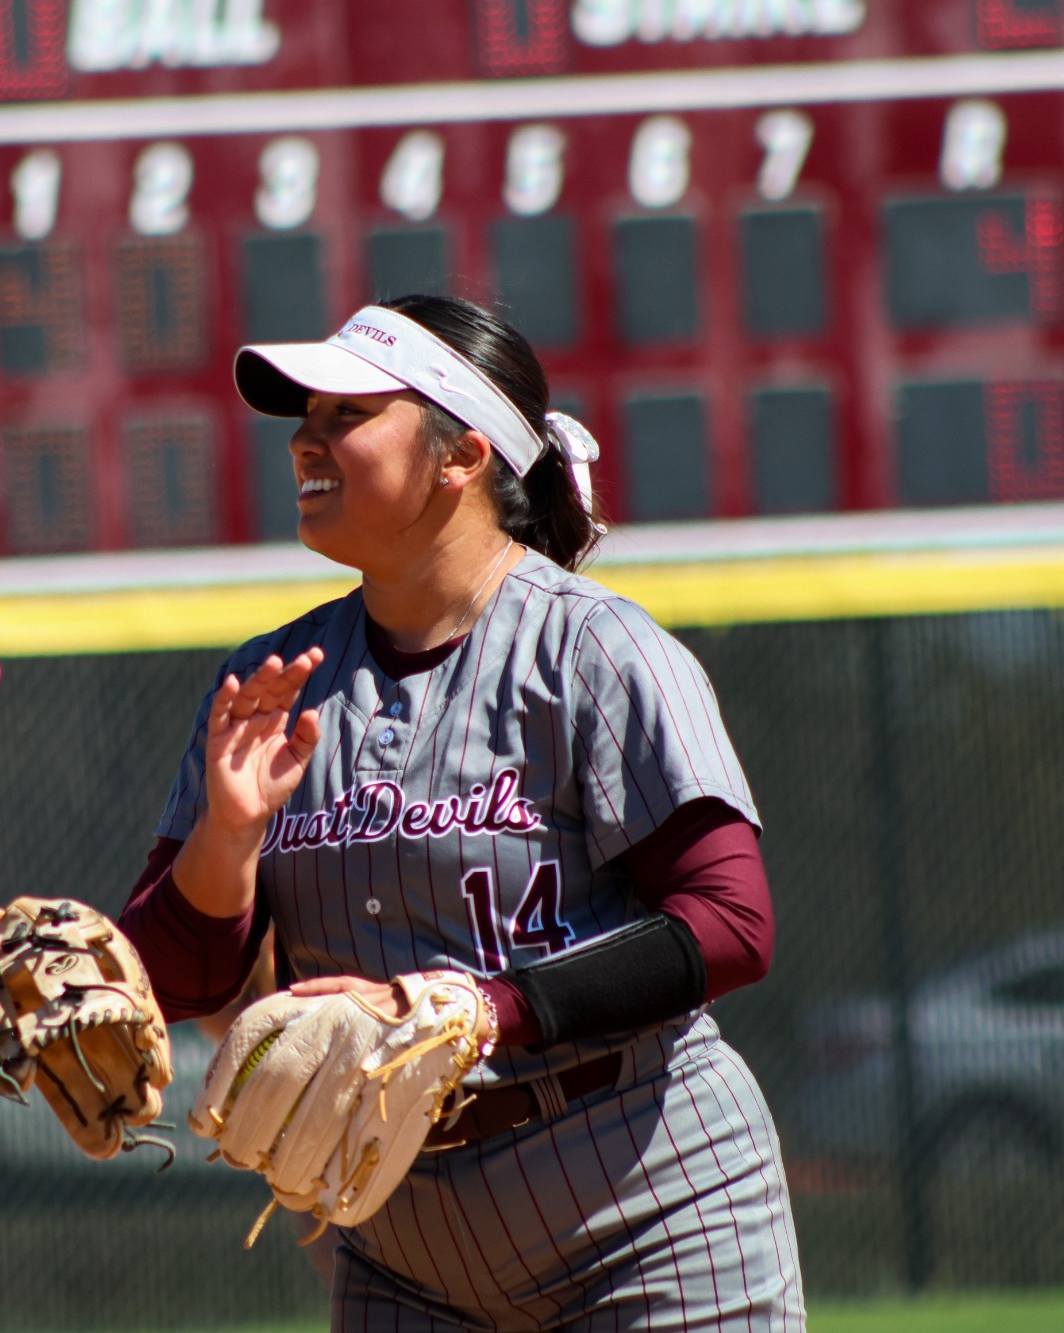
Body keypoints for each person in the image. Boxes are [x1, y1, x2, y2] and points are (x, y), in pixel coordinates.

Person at [120, 295, 805, 1330]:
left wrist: (489, 1007)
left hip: (647, 1209)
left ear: (462, 455)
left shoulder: (593, 650)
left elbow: (730, 923)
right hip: (405, 1254)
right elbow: (178, 978)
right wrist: (227, 833)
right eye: (305, 417)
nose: (305, 438)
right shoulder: (274, 681)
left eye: (348, 414)